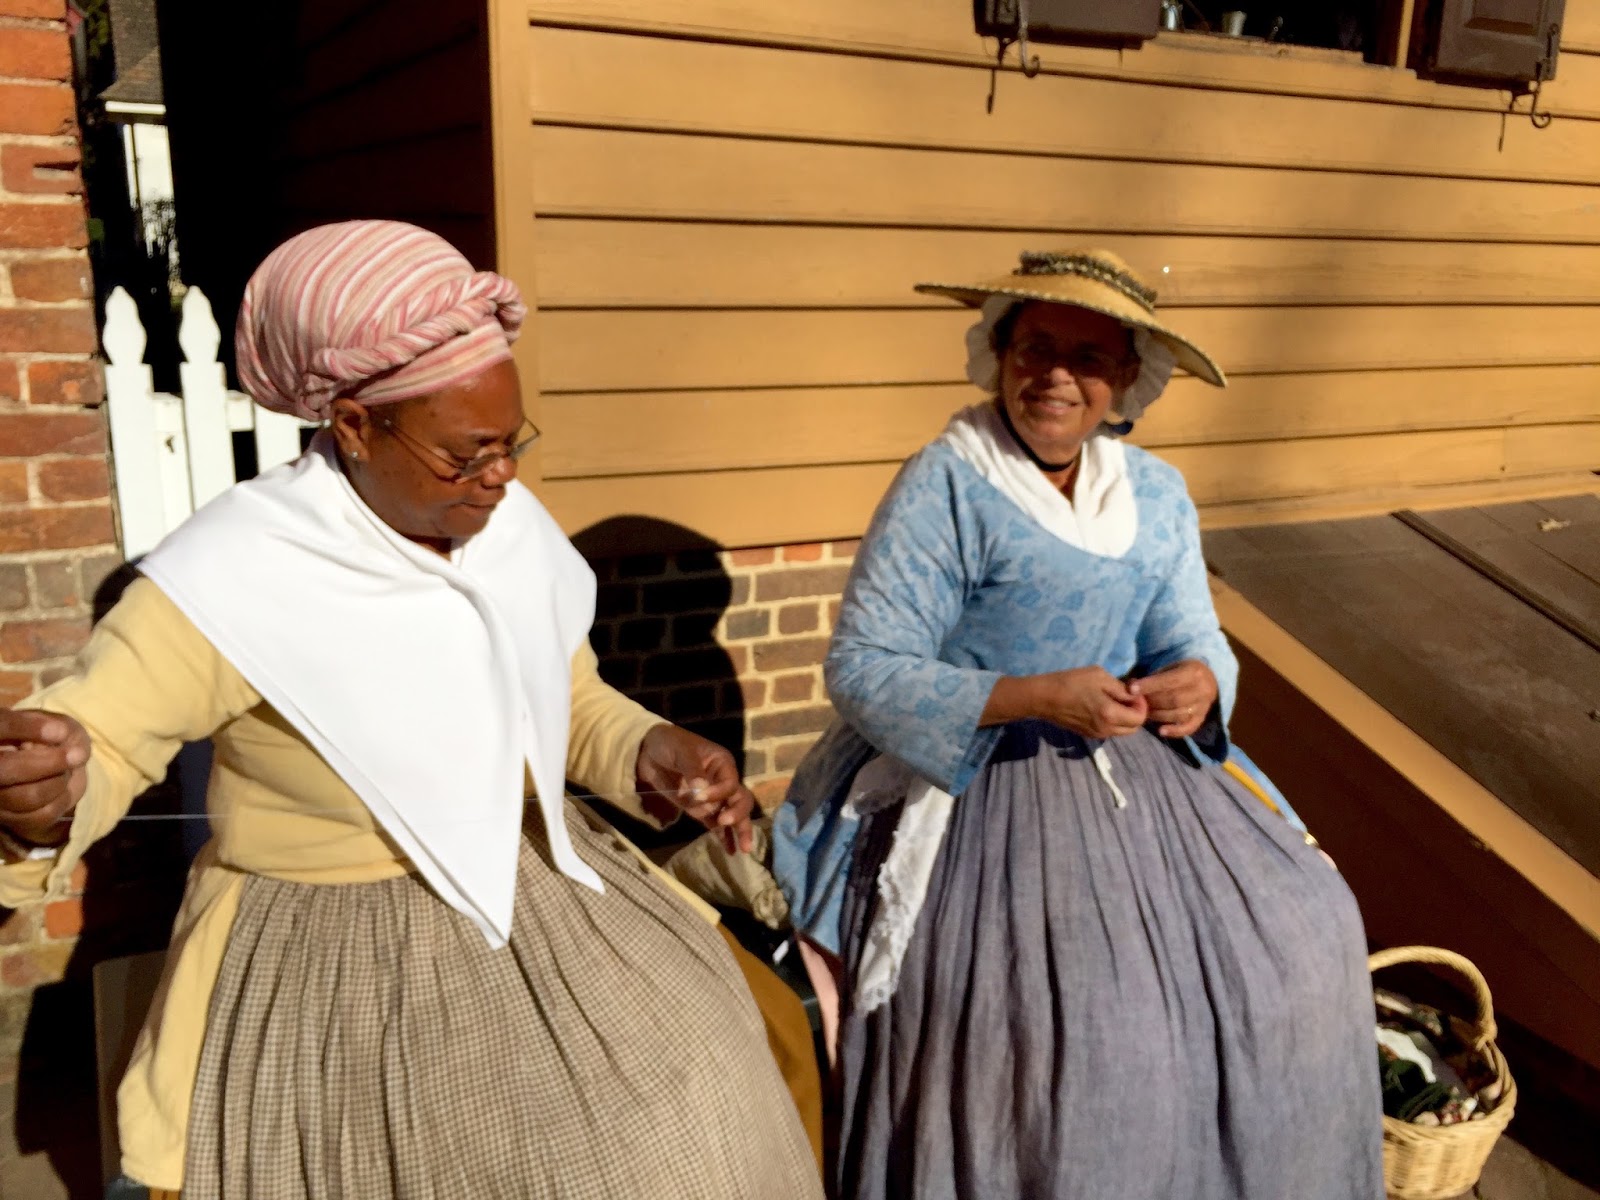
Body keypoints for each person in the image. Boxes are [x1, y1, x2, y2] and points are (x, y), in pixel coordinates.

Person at [0, 221, 821, 1200]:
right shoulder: (236, 571)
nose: (502, 476)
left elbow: (566, 701)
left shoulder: (501, 524)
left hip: (539, 893)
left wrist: (651, 748)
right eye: (467, 454)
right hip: (334, 955)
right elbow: (106, 733)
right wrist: (39, 802)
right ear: (354, 426)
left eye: (510, 444)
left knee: (715, 1072)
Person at [771, 249, 1383, 1199]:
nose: (1056, 376)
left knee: (1307, 934)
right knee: (1087, 1023)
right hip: (979, 778)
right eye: (1036, 347)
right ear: (998, 354)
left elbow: (1193, 633)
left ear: (1126, 378)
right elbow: (863, 667)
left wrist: (1197, 681)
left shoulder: (1154, 492)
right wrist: (1031, 696)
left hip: (1136, 767)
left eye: (1087, 357)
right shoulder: (947, 482)